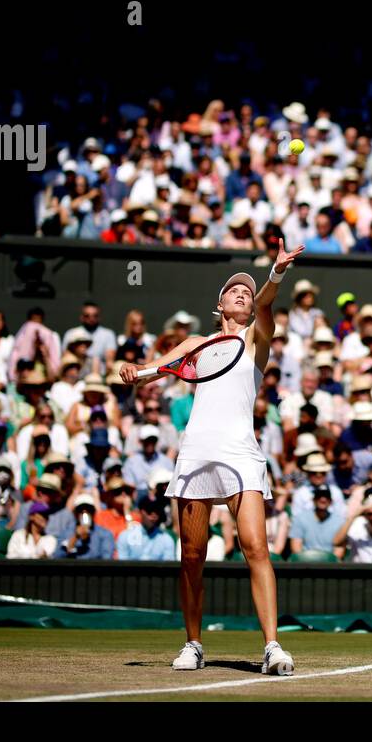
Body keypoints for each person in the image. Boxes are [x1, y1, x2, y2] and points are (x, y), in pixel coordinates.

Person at [119, 241, 303, 674]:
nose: (243, 294)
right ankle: (193, 644)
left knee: (256, 547)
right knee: (192, 556)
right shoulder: (196, 343)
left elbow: (266, 303)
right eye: (234, 290)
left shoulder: (257, 337)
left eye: (248, 291)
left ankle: (273, 647)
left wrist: (275, 274)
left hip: (241, 454)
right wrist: (131, 373)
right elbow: (150, 372)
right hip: (196, 454)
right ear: (219, 304)